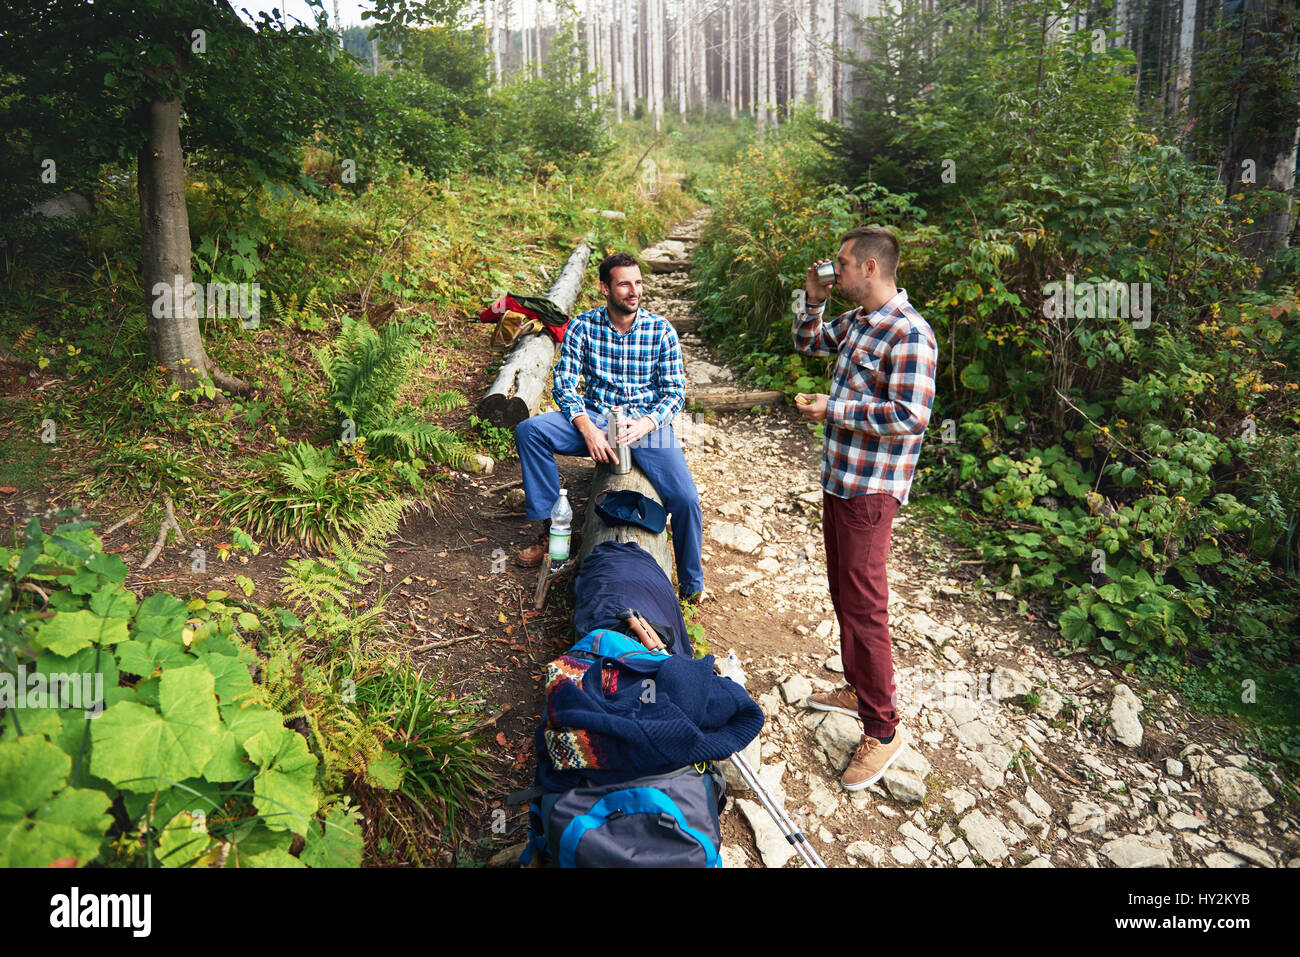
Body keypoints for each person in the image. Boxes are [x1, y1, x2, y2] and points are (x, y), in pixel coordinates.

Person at [792, 225, 938, 791]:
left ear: (871, 268)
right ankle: (858, 688)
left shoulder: (910, 334)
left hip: (872, 490)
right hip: (841, 479)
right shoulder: (857, 321)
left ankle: (883, 728)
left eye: (842, 264)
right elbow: (809, 343)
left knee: (866, 604)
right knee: (843, 591)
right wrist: (814, 297)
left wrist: (835, 408)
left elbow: (909, 416)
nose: (836, 269)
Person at [513, 253, 705, 600]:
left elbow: (675, 393)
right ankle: (552, 532)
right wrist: (586, 426)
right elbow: (564, 383)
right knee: (531, 431)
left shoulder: (660, 330)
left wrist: (647, 422)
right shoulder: (583, 327)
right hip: (597, 418)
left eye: (638, 283)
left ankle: (692, 586)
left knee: (687, 499)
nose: (634, 291)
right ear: (605, 288)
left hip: (646, 425)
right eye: (624, 284)